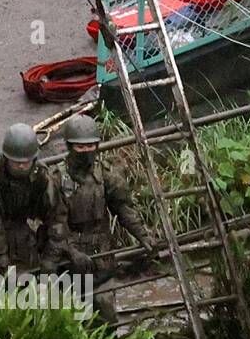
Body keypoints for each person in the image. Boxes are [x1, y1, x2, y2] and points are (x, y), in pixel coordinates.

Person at [47, 115, 163, 323]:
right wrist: (71, 251)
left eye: (91, 146)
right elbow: (54, 224)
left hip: (101, 254)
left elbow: (123, 207)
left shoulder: (105, 174)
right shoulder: (57, 179)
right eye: (81, 148)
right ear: (70, 147)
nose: (87, 152)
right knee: (73, 316)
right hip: (69, 258)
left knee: (106, 312)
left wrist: (142, 235)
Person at [0, 123, 59, 273]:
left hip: (26, 234)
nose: (21, 166)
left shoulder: (40, 175)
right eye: (16, 162)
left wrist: (51, 252)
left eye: (25, 163)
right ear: (6, 159)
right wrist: (1, 258)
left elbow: (55, 213)